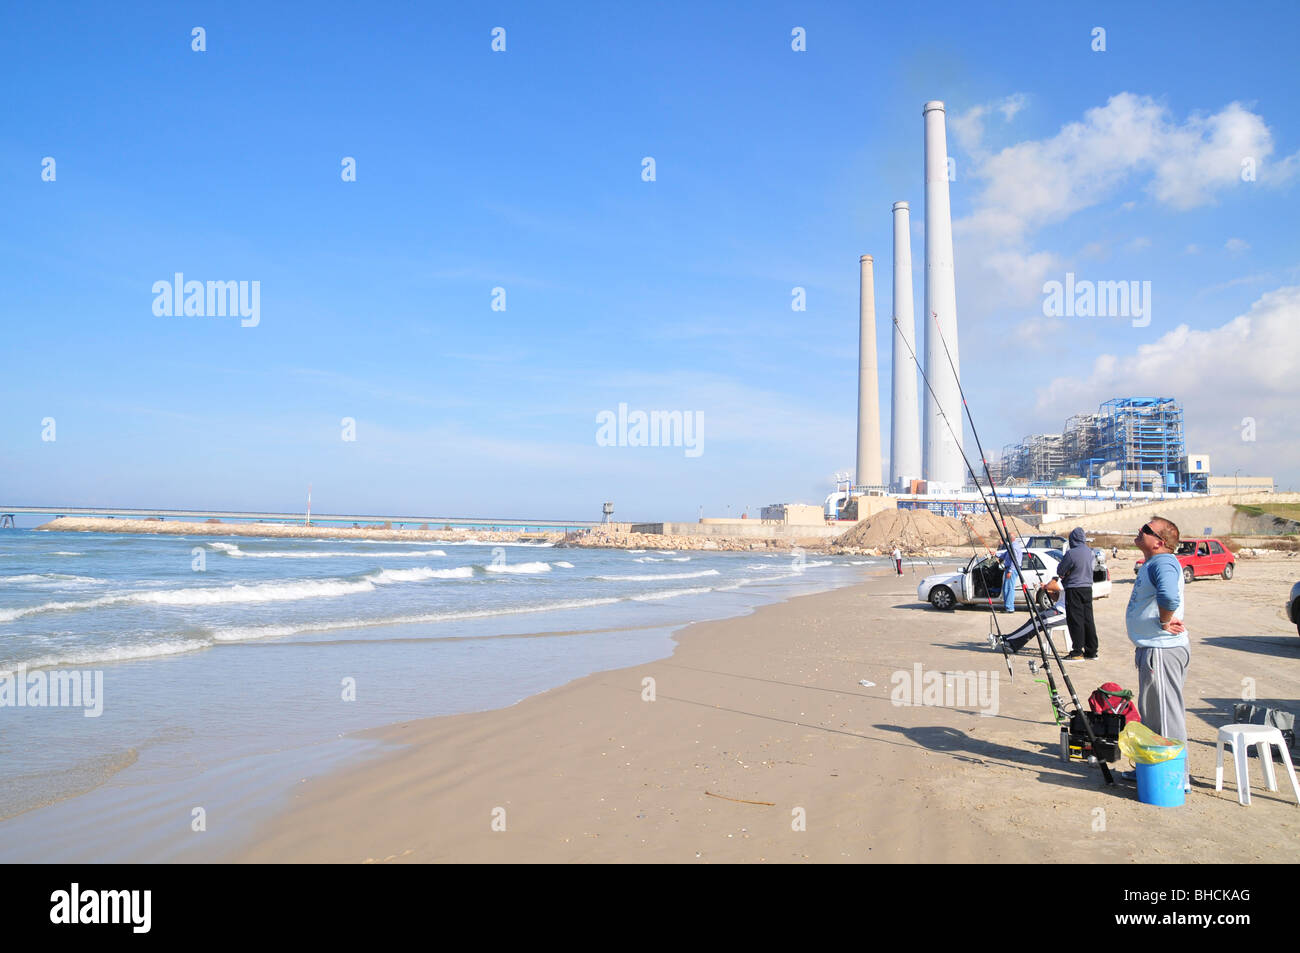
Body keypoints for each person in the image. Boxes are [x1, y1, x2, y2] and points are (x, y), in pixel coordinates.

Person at [1123, 517, 1190, 791]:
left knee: (1166, 715)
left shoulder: (1163, 562)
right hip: (1151, 650)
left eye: (1146, 530)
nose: (1140, 531)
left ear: (1160, 542)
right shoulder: (1153, 563)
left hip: (1162, 651)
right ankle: (1151, 767)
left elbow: (1170, 596)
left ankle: (1176, 777)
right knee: (1151, 715)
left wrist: (1164, 622)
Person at [990, 576, 1069, 654]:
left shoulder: (1069, 577)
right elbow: (1057, 598)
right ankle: (1011, 641)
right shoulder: (1066, 578)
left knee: (1037, 622)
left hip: (1064, 613)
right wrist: (1048, 590)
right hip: (1058, 609)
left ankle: (1009, 641)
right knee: (1034, 621)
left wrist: (1051, 582)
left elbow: (1051, 585)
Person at [1058, 528, 1100, 661]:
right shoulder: (1091, 552)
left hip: (1074, 588)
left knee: (1075, 620)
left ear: (1072, 539)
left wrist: (1067, 574)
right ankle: (1091, 651)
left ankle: (1077, 652)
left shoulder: (1071, 553)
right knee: (1088, 619)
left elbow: (1060, 570)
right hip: (1087, 588)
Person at [996, 536, 1026, 613]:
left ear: (1010, 538)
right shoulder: (1012, 546)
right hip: (1010, 569)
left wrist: (1010, 571)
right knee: (1006, 588)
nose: (1006, 538)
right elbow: (1006, 554)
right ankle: (1007, 606)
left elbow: (1014, 559)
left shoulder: (1014, 547)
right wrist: (996, 554)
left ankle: (1009, 608)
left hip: (1012, 569)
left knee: (1009, 588)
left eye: (1007, 537)